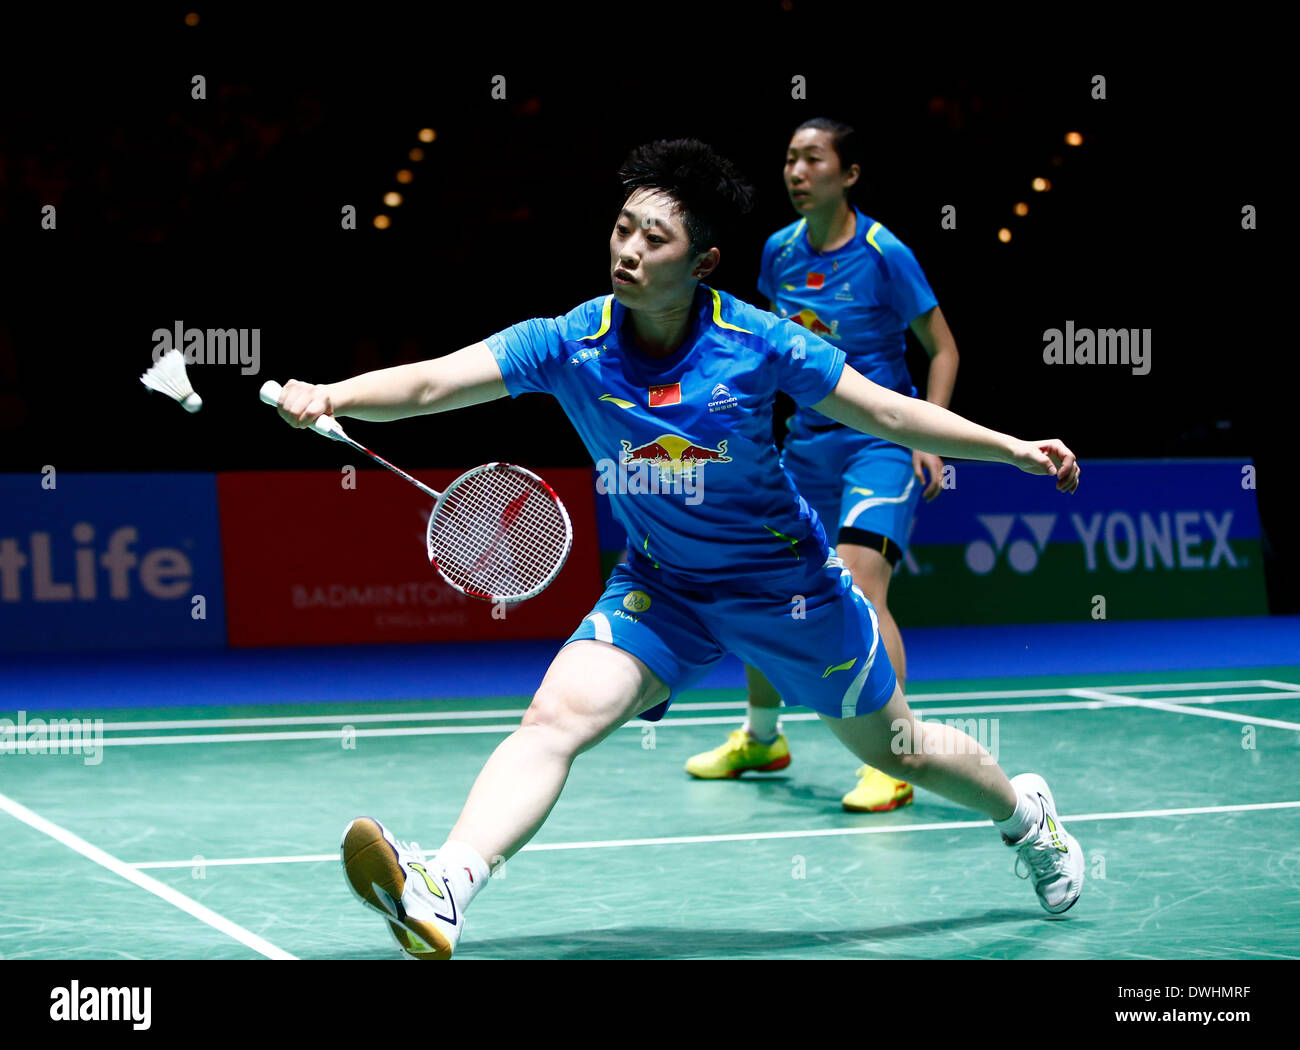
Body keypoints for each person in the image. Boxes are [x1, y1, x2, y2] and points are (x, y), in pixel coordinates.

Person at [272, 139, 1083, 960]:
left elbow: (890, 413)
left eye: (654, 239)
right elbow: (435, 383)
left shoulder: (759, 342)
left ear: (705, 262)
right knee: (555, 717)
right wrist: (332, 394)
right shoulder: (569, 341)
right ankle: (448, 884)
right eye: (623, 228)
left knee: (897, 748)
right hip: (664, 589)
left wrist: (1009, 447)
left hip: (786, 589)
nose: (628, 250)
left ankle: (1025, 815)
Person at [685, 117, 960, 813]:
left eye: (813, 160)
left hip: (879, 443)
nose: (796, 172)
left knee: (863, 587)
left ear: (850, 174)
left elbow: (944, 347)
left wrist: (931, 438)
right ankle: (762, 738)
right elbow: (770, 352)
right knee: (764, 581)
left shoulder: (883, 252)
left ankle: (895, 757)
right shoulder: (778, 252)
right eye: (789, 160)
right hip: (805, 443)